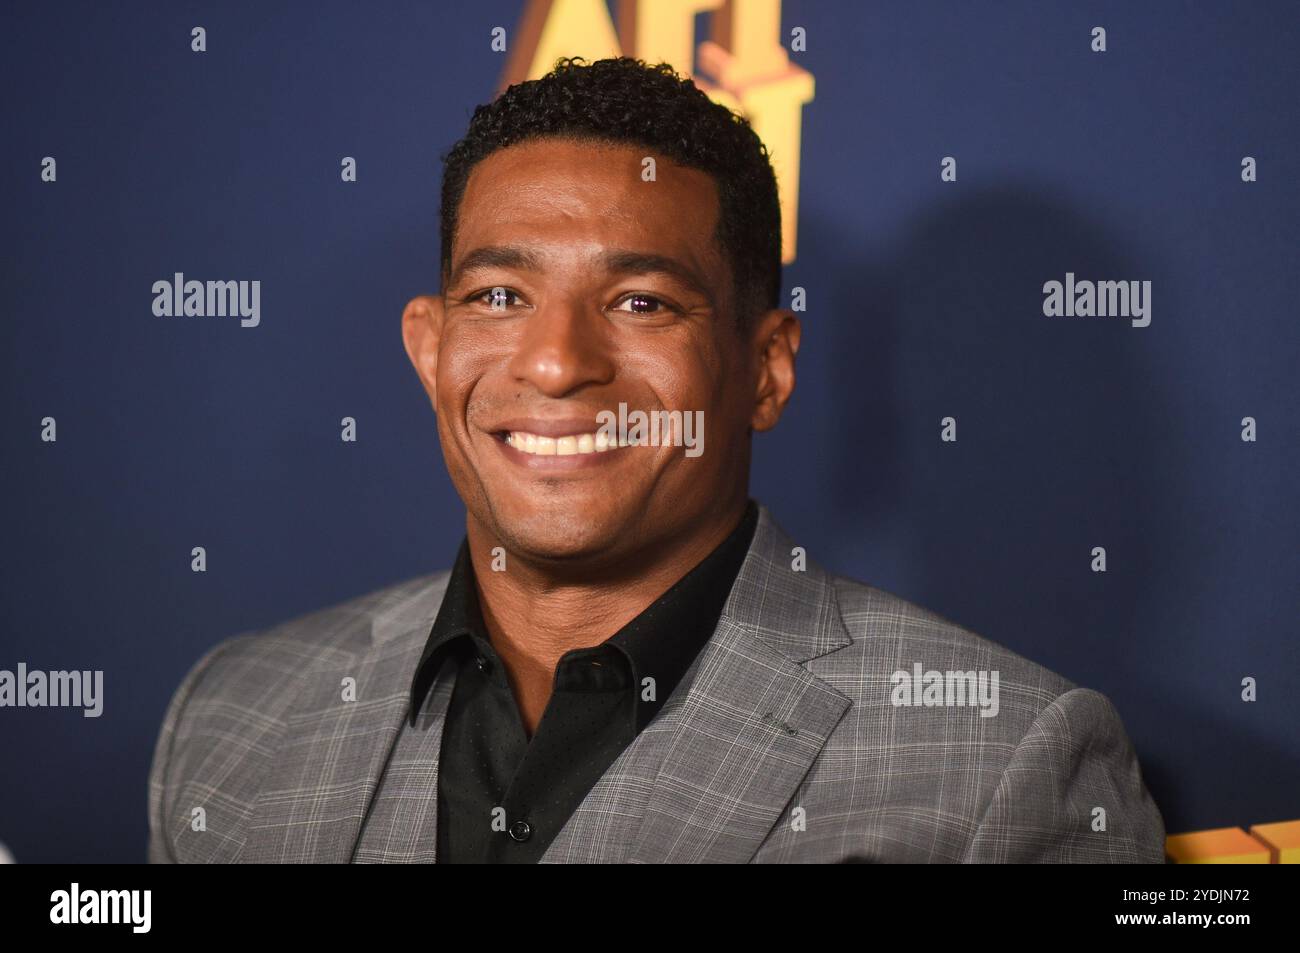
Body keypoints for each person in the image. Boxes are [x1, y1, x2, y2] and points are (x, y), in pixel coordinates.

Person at [148, 56, 1165, 863]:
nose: (554, 363)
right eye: (499, 295)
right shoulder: (233, 712)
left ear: (765, 368)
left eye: (640, 302)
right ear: (430, 347)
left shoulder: (1001, 760)